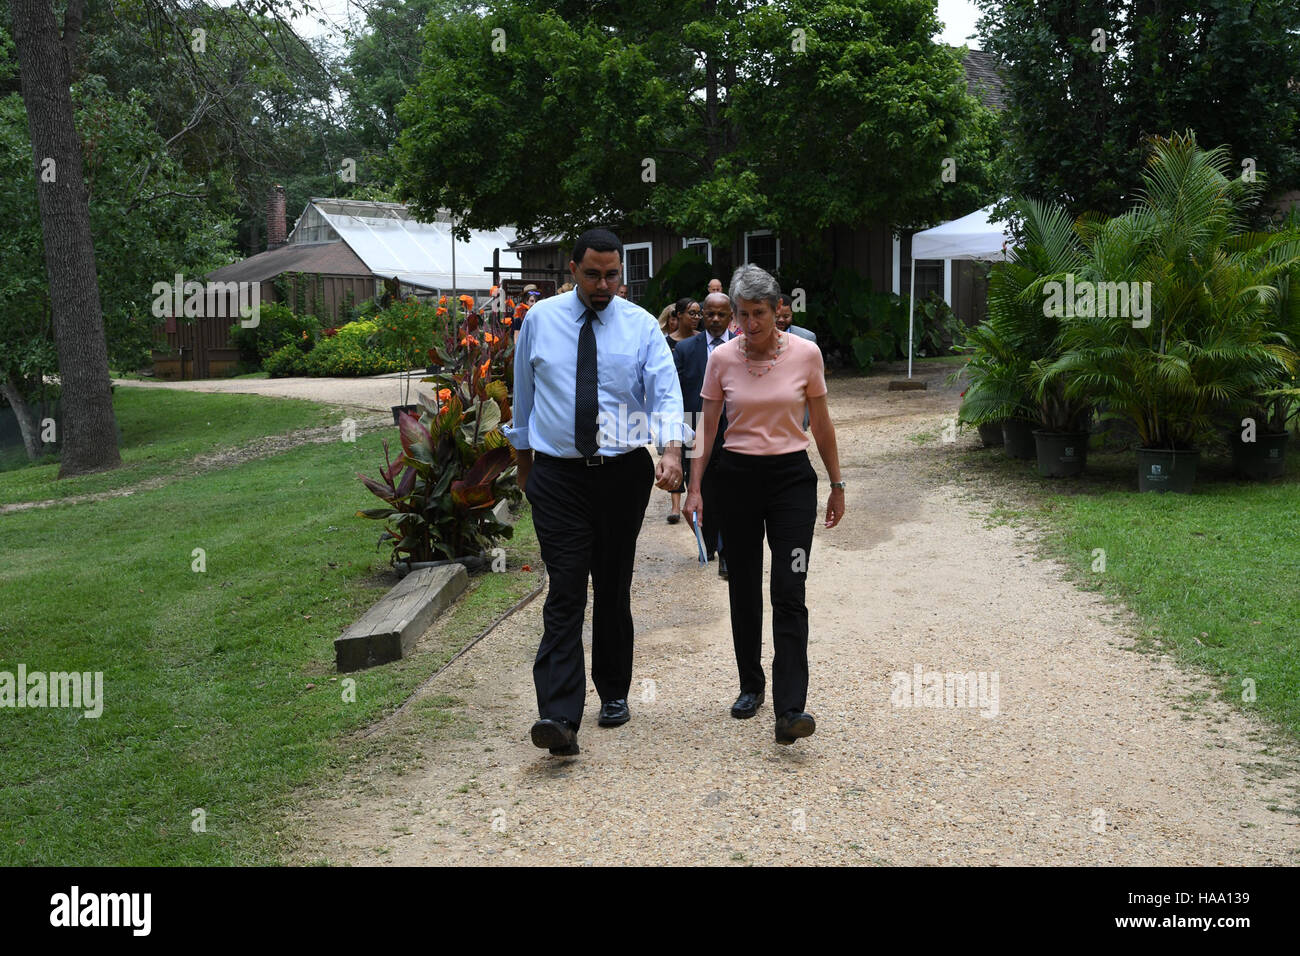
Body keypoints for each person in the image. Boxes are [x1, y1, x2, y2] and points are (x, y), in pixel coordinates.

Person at [504, 227, 690, 757]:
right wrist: (525, 469)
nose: (604, 284)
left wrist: (671, 451)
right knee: (565, 588)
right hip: (559, 475)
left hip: (621, 473)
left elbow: (666, 394)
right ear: (572, 270)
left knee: (612, 584)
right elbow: (524, 394)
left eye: (612, 275)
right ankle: (559, 715)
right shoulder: (539, 321)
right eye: (593, 274)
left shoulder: (640, 328)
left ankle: (613, 692)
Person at [684, 264, 845, 746]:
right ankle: (750, 685)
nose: (750, 325)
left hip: (791, 481)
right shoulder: (722, 361)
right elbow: (707, 428)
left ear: (779, 310)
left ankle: (790, 707)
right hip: (735, 481)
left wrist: (837, 483)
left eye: (759, 314)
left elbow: (821, 423)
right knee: (744, 586)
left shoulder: (806, 354)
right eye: (742, 314)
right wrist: (695, 489)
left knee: (789, 588)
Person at [674, 290, 736, 577]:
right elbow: (677, 394)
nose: (713, 319)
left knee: (726, 492)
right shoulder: (686, 350)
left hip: (731, 431)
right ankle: (709, 542)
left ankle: (726, 552)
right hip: (695, 428)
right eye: (708, 313)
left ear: (730, 317)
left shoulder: (741, 347)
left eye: (720, 314)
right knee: (701, 489)